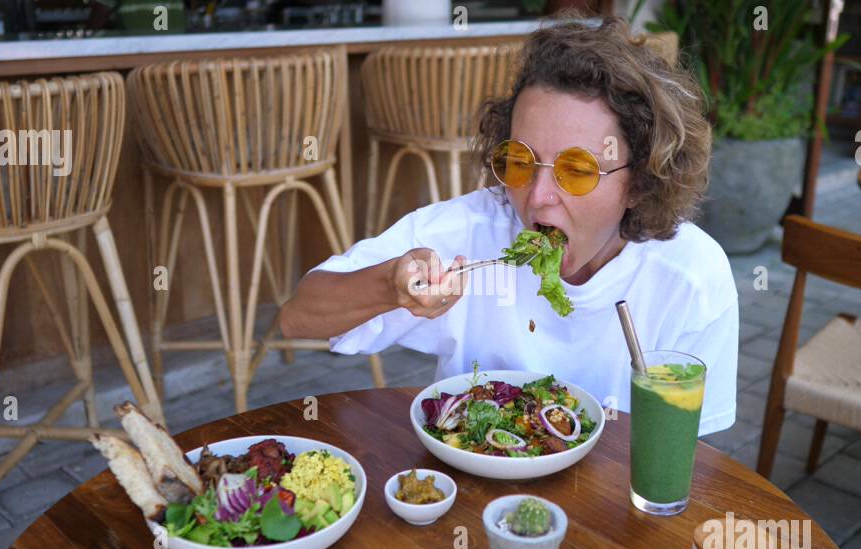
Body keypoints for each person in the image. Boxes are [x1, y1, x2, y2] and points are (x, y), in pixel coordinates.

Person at [280, 17, 738, 436]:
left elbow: (694, 460)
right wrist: (389, 284)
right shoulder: (470, 233)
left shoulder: (690, 278)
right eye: (520, 161)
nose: (537, 197)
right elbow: (298, 317)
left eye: (575, 171)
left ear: (640, 181)